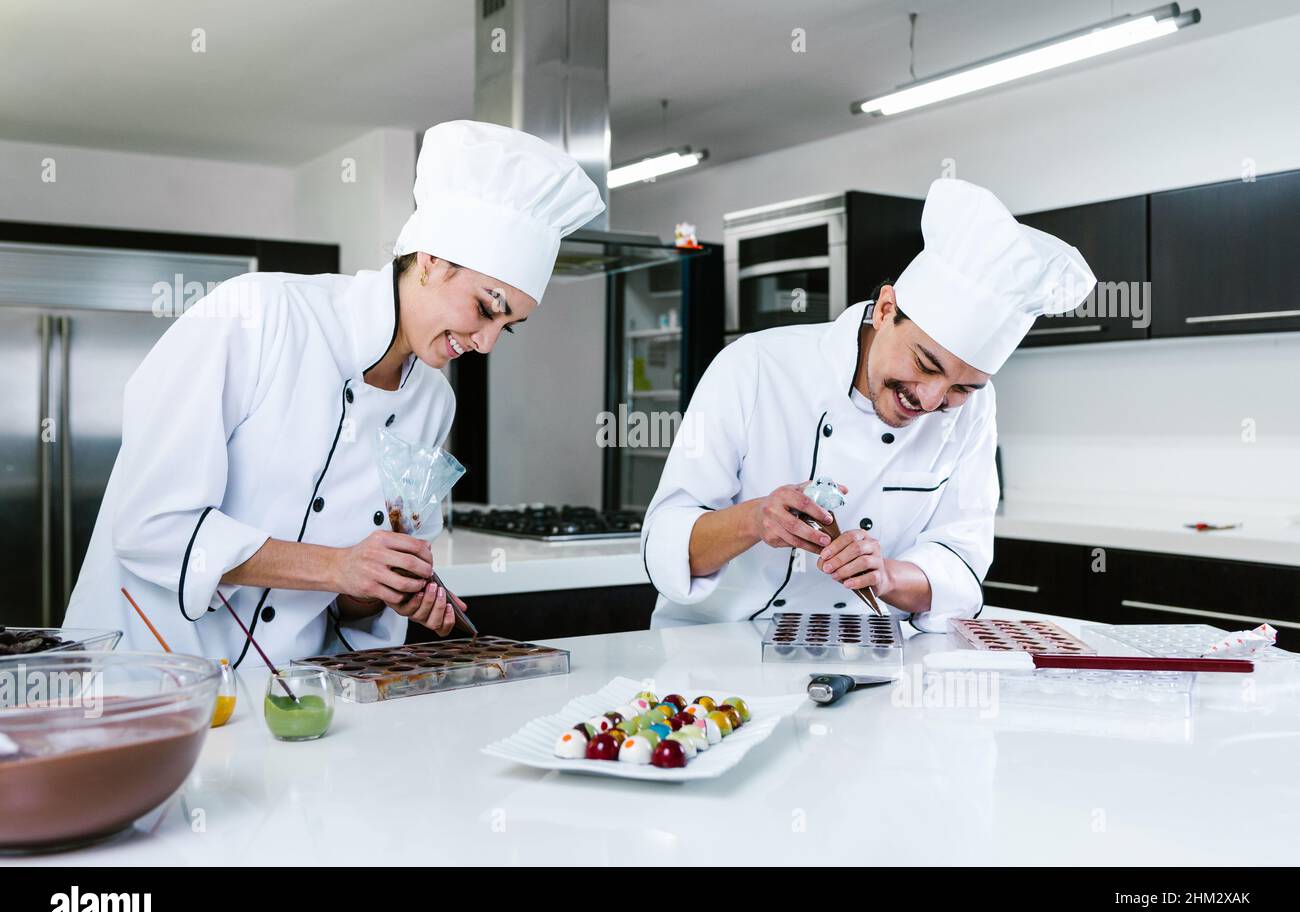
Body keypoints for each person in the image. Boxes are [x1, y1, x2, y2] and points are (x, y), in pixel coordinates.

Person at [65, 120, 604, 663]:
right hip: (151, 671)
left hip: (292, 691)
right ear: (432, 259)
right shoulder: (259, 314)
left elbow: (353, 605)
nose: (487, 342)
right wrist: (336, 565)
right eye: (487, 308)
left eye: (505, 327)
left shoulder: (433, 402)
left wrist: (382, 587)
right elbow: (150, 525)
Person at [640, 178, 1094, 629]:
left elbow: (962, 560)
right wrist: (755, 520)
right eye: (926, 363)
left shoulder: (975, 408)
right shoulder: (755, 365)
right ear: (885, 309)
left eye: (963, 387)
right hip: (715, 655)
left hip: (869, 657)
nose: (932, 400)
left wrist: (888, 575)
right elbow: (666, 542)